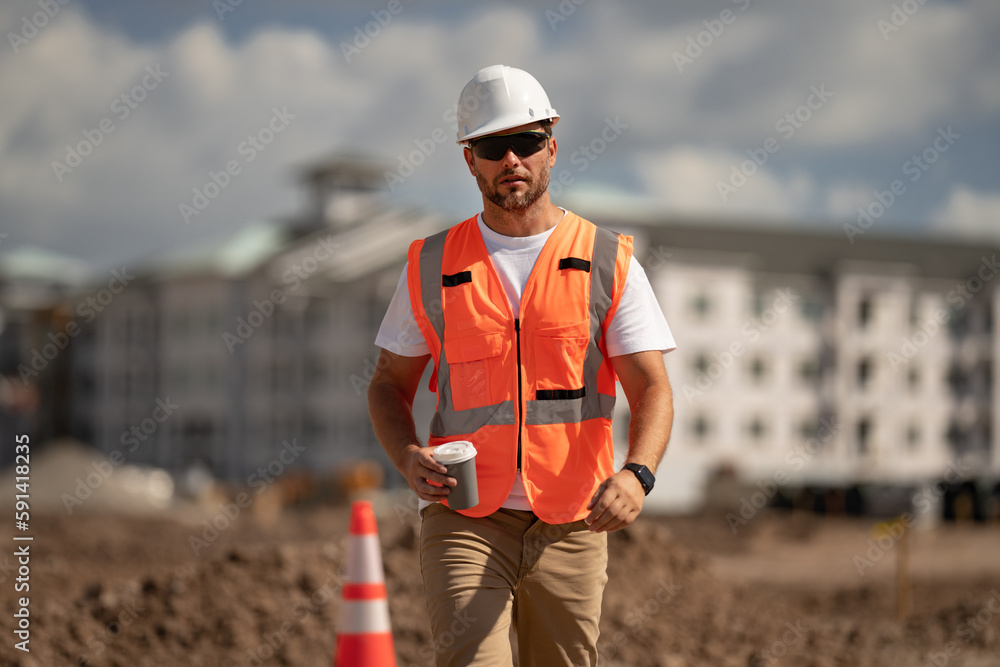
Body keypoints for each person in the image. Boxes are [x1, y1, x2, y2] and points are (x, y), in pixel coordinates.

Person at [368, 64, 676, 667]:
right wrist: (405, 454)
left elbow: (652, 387)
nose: (511, 159)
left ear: (552, 148)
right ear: (470, 159)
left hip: (573, 521)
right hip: (465, 517)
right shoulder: (430, 265)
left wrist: (638, 473)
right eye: (491, 145)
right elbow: (387, 385)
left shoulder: (607, 259)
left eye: (527, 142)